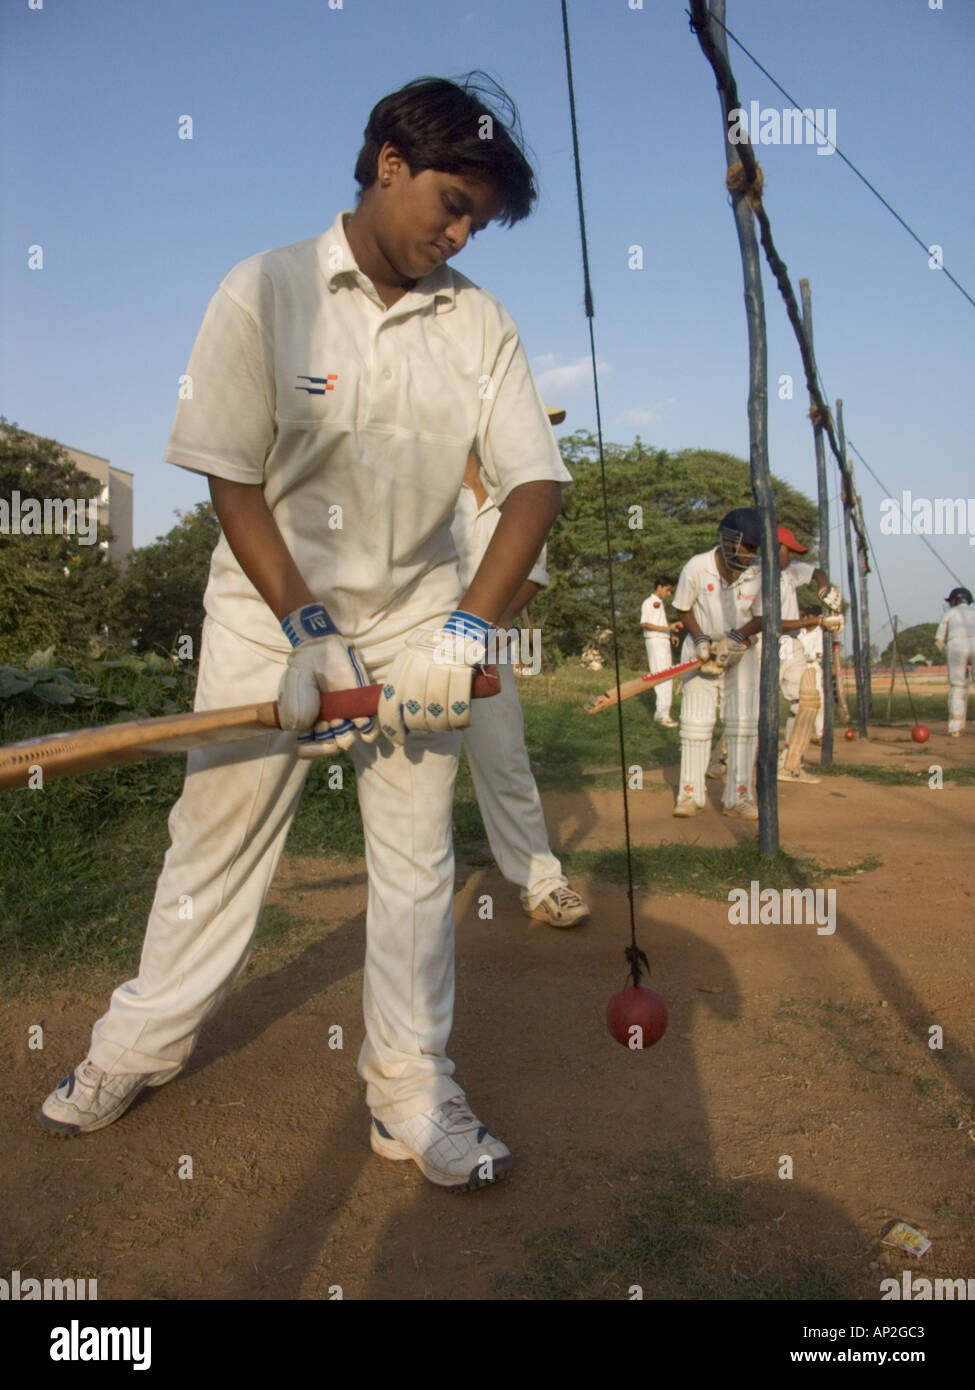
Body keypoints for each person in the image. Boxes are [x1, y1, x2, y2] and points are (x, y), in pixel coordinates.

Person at [40, 74, 572, 1193]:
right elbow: (233, 480)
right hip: (268, 614)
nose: (461, 232)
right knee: (217, 836)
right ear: (388, 162)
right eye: (452, 201)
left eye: (478, 217)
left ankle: (409, 1087)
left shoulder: (480, 322)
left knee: (419, 857)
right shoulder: (267, 289)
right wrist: (310, 631)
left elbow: (531, 487)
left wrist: (468, 630)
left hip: (423, 622)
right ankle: (134, 1047)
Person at [451, 416, 590, 928]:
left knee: (506, 761)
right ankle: (416, 886)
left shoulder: (526, 495)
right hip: (416, 642)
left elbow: (531, 574)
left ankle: (542, 883)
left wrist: (490, 626)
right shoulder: (426, 479)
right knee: (416, 768)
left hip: (483, 644)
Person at [671, 509, 765, 819]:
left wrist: (737, 636)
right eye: (747, 546)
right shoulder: (698, 566)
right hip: (702, 650)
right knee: (696, 725)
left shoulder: (760, 573)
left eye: (755, 548)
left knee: (743, 726)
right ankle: (689, 796)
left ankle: (739, 797)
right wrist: (700, 640)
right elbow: (684, 608)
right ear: (728, 540)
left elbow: (764, 615)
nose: (751, 554)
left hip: (743, 651)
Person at [775, 527, 843, 784]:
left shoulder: (789, 570)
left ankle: (790, 764)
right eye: (788, 550)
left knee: (807, 699)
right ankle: (722, 758)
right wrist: (817, 621)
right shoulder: (755, 575)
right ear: (773, 546)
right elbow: (771, 622)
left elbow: (817, 572)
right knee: (753, 707)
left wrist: (823, 589)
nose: (792, 555)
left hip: (790, 644)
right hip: (764, 643)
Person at [640, 576, 680, 727]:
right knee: (661, 676)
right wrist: (667, 629)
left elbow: (660, 623)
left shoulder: (659, 604)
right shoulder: (648, 603)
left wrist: (670, 634)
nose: (669, 593)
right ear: (660, 587)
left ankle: (664, 713)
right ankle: (662, 714)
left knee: (667, 676)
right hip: (655, 642)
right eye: (668, 590)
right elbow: (645, 624)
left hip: (662, 641)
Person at [935, 586, 975, 737]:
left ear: (956, 600)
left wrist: (947, 652)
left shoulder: (950, 613)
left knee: (958, 687)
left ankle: (955, 728)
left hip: (956, 646)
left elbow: (939, 640)